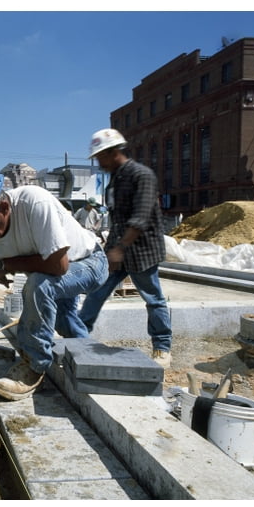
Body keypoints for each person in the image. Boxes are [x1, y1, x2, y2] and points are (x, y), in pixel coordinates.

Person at [0, 165, 109, 401]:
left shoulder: (34, 203)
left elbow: (59, 266)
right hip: (56, 272)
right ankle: (95, 366)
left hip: (90, 262)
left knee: (38, 285)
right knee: (64, 323)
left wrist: (9, 265)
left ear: (4, 207)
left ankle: (34, 367)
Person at [78, 128, 172, 368]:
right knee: (96, 292)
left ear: (112, 152)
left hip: (143, 251)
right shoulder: (114, 181)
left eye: (100, 157)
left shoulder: (142, 176)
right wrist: (109, 251)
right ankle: (77, 337)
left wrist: (119, 249)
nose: (98, 162)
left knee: (153, 299)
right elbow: (117, 219)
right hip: (118, 250)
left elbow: (140, 219)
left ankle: (162, 348)